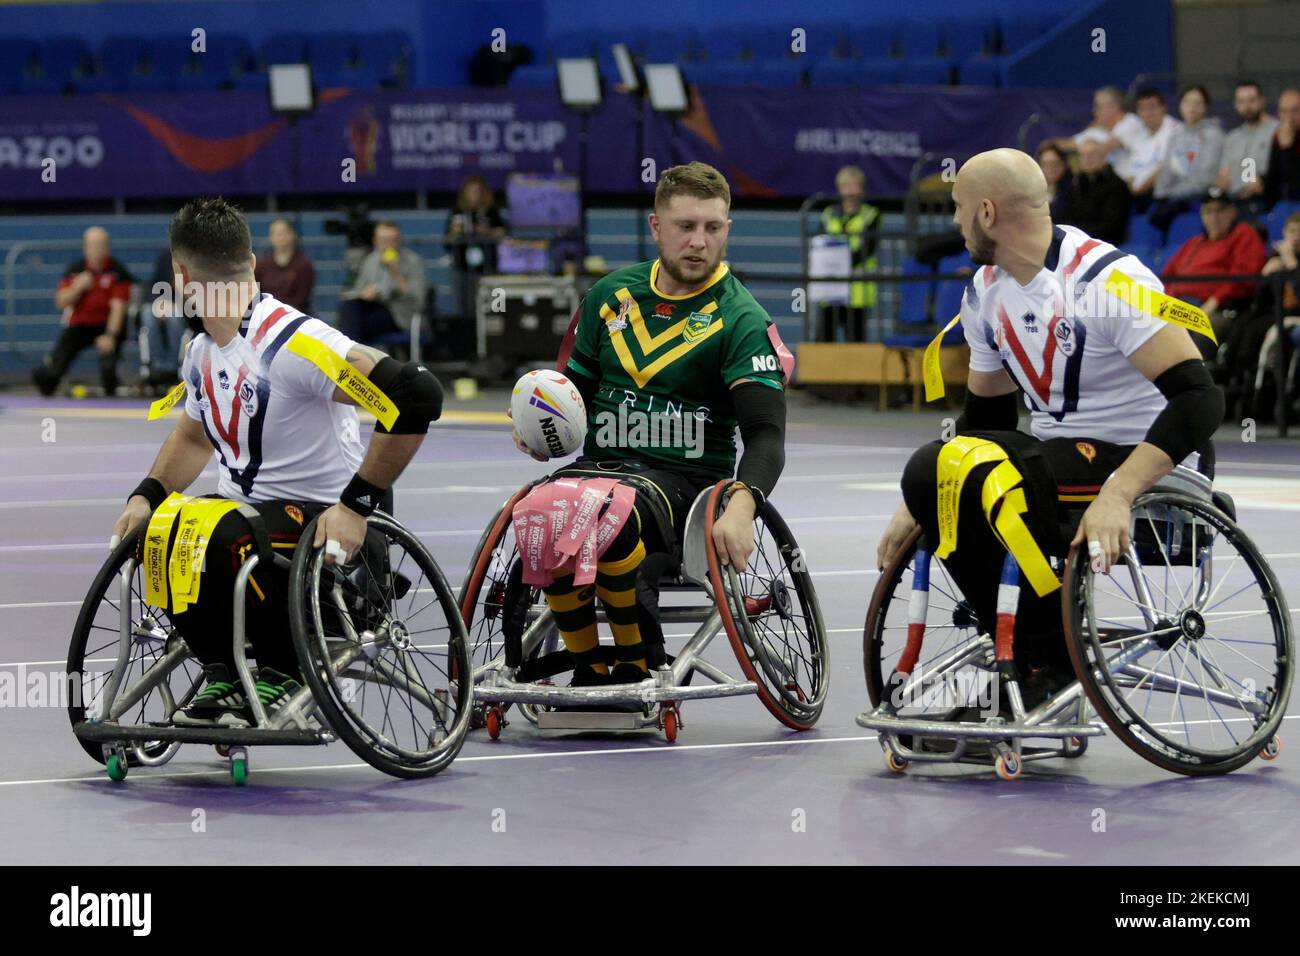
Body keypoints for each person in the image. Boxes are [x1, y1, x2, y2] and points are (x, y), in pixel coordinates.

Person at [876, 148, 1223, 706]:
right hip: (1060, 455)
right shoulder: (985, 291)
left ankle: (1048, 660)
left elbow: (1200, 399)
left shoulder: (1108, 279)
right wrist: (922, 497)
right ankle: (1040, 650)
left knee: (968, 471)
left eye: (960, 209)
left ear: (986, 213)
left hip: (1143, 456)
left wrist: (1119, 492)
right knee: (933, 469)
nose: (956, 223)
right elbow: (985, 421)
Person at [107, 197, 443, 726]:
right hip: (250, 533)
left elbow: (416, 395)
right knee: (165, 531)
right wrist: (146, 495)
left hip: (332, 549)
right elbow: (193, 439)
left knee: (217, 534)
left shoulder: (295, 345)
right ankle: (223, 669)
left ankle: (282, 669)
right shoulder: (201, 355)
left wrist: (356, 506)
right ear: (253, 262)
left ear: (181, 274)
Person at [507, 161, 788, 687]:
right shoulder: (610, 296)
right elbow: (571, 398)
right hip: (595, 473)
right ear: (657, 227)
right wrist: (536, 424)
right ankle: (591, 666)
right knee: (542, 510)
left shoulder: (742, 319)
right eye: (686, 227)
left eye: (713, 228)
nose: (699, 242)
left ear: (727, 228)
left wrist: (744, 505)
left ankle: (634, 667)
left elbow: (767, 434)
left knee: (613, 517)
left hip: (684, 490)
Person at [1161, 189, 1268, 356]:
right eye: (1208, 211)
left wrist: (1214, 301)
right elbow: (1167, 275)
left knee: (1190, 336)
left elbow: (1243, 278)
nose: (1214, 217)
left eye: (1220, 210)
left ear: (1232, 212)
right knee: (1142, 328)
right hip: (1178, 305)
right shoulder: (1195, 243)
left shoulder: (1244, 235)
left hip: (1218, 308)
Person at [32, 227, 134, 397]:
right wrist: (77, 287)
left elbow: (118, 307)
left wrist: (110, 335)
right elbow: (61, 302)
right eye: (93, 245)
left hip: (106, 325)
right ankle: (48, 378)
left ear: (108, 247)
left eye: (101, 245)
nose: (97, 249)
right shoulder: (75, 270)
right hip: (80, 326)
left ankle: (111, 386)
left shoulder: (117, 271)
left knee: (108, 362)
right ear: (85, 248)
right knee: (61, 353)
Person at [337, 221, 426, 350]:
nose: (389, 245)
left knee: (354, 325)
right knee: (349, 307)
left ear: (399, 240)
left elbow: (418, 300)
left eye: (393, 240)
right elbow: (358, 290)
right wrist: (365, 293)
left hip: (399, 314)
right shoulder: (370, 260)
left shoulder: (413, 261)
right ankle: (353, 356)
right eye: (384, 241)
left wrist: (395, 272)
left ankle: (350, 358)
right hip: (374, 308)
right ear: (376, 241)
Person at [817, 165, 881, 342]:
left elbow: (868, 249)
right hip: (830, 289)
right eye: (846, 186)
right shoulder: (828, 215)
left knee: (856, 342)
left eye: (855, 186)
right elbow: (820, 247)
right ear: (839, 188)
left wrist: (839, 263)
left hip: (857, 291)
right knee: (823, 340)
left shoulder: (871, 215)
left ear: (862, 189)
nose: (850, 191)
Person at [1149, 85, 1224, 234]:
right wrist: (1162, 193)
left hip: (1197, 200)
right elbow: (1166, 171)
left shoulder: (1214, 135)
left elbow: (1205, 179)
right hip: (1172, 199)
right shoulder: (1175, 136)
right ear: (1181, 105)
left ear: (1205, 107)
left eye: (1198, 103)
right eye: (1187, 102)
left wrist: (1172, 195)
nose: (1192, 107)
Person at [445, 174, 507, 324]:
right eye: (471, 191)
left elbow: (503, 232)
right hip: (463, 267)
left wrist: (487, 232)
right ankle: (467, 338)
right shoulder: (457, 212)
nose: (474, 195)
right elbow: (446, 241)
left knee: (492, 306)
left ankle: (492, 336)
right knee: (464, 307)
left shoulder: (490, 211)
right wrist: (455, 232)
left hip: (487, 268)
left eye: (478, 191)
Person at [1215, 80, 1278, 216]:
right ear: (1235, 105)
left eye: (1252, 100)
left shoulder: (1277, 132)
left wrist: (1263, 182)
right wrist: (1220, 182)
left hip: (1264, 200)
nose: (1247, 106)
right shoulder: (1232, 137)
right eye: (1241, 102)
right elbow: (1224, 174)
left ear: (1262, 101)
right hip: (1233, 200)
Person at [1119, 88, 1182, 211]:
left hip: (1164, 191)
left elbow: (1169, 167)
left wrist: (1143, 187)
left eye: (1152, 108)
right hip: (1138, 193)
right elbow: (1132, 168)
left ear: (1163, 108)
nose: (1148, 113)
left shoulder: (1176, 131)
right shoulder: (1138, 135)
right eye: (1143, 109)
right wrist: (1131, 184)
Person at [1062, 139, 1131, 245]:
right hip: (1079, 241)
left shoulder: (1116, 185)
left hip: (1105, 243)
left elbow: (1111, 226)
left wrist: (1077, 234)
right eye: (1083, 156)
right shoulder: (1077, 184)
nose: (1087, 159)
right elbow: (1069, 216)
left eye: (1092, 154)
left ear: (1103, 157)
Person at [253, 218, 315, 313]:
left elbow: (302, 299)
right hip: (267, 316)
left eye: (283, 233)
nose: (280, 237)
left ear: (293, 235)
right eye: (275, 233)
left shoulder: (304, 265)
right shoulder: (262, 266)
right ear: (270, 237)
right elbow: (255, 295)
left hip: (295, 316)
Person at [1263, 88, 1300, 209]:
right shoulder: (1278, 136)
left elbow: (1296, 185)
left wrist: (1287, 149)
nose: (1289, 117)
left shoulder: (1284, 138)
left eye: (1295, 110)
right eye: (1284, 111)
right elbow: (1273, 180)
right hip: (1283, 205)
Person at [1036, 143, 1073, 224]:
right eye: (1045, 164)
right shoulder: (1034, 193)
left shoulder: (1075, 190)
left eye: (1054, 163)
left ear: (1063, 164)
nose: (1050, 168)